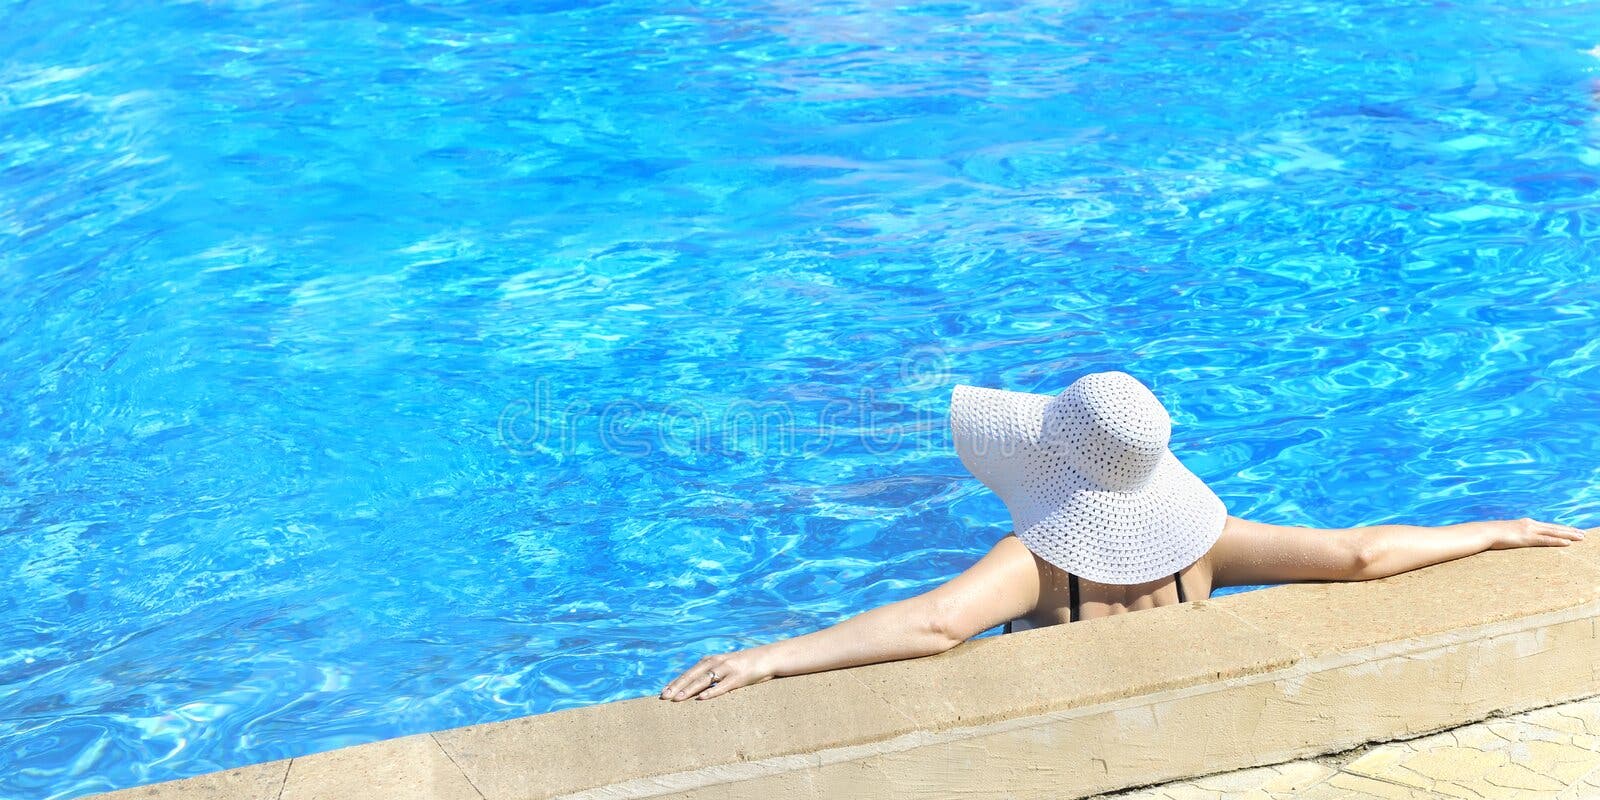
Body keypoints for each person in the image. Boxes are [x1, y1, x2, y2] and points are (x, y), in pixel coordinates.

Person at [659, 371, 1585, 703]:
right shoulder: (1210, 545)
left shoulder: (1038, 561)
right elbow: (1358, 556)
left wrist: (776, 656)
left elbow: (936, 625)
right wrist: (1497, 531)